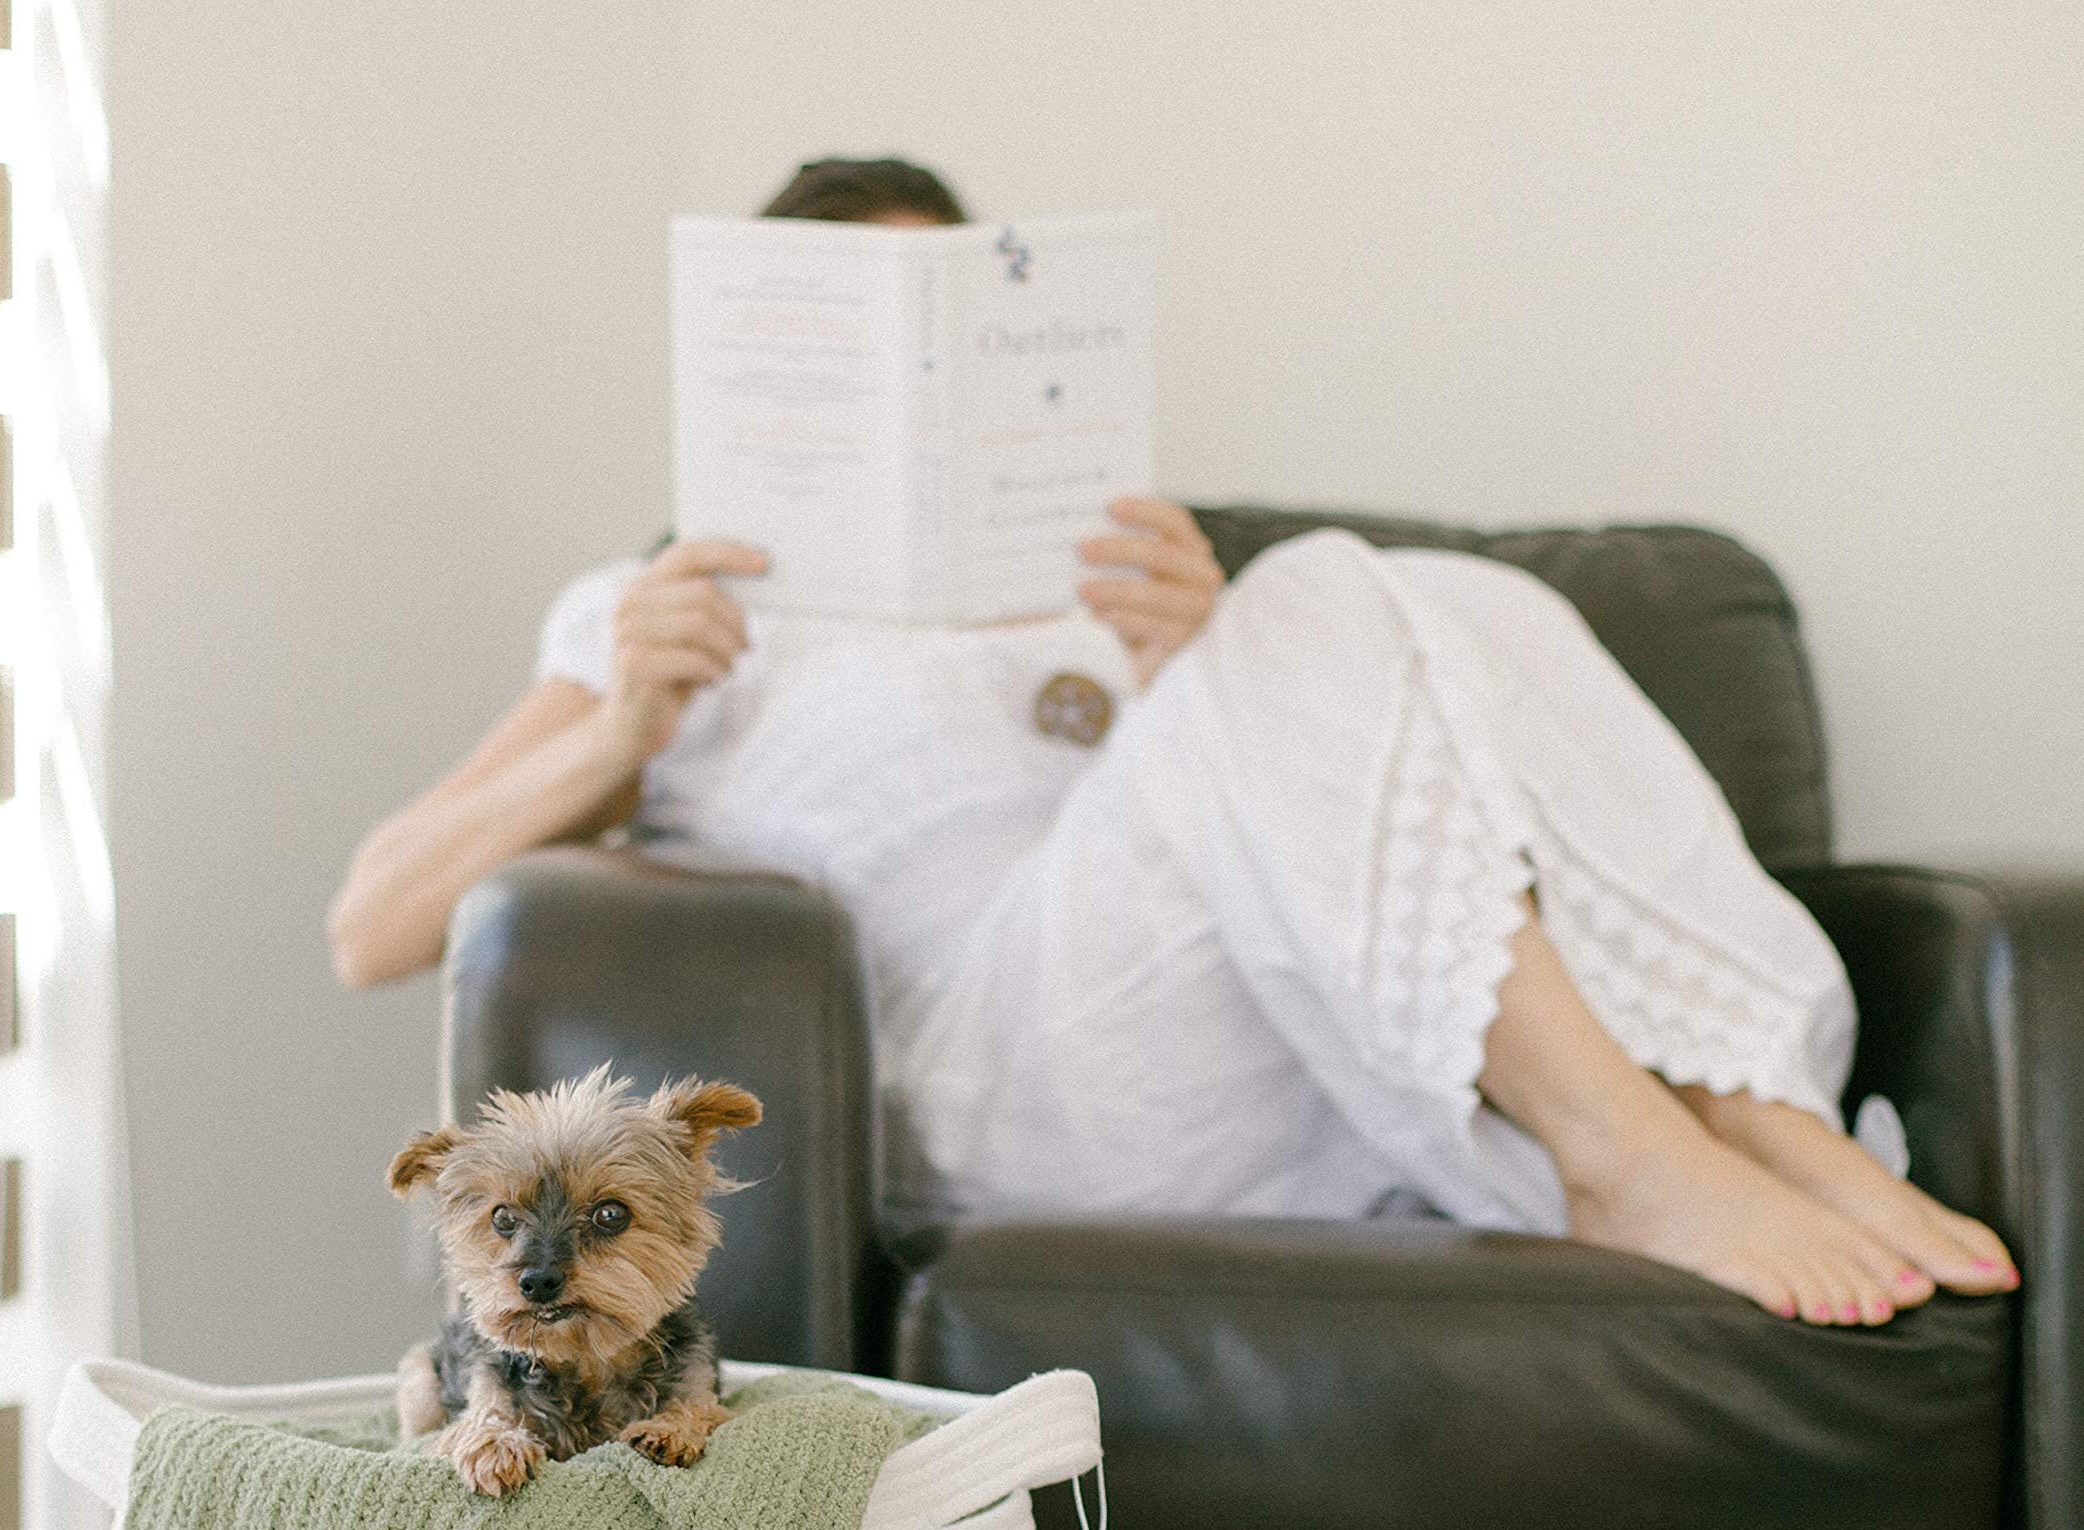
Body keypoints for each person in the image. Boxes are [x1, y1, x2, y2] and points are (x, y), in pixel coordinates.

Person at [331, 157, 2016, 1327]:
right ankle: (1631, 1147)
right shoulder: (663, 606)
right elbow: (375, 924)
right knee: (1319, 599)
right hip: (991, 1082)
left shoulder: (1100, 586)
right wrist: (620, 729)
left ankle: (1751, 1114)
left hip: (1259, 1024)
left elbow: (1292, 805)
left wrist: (1191, 655)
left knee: (1417, 602)